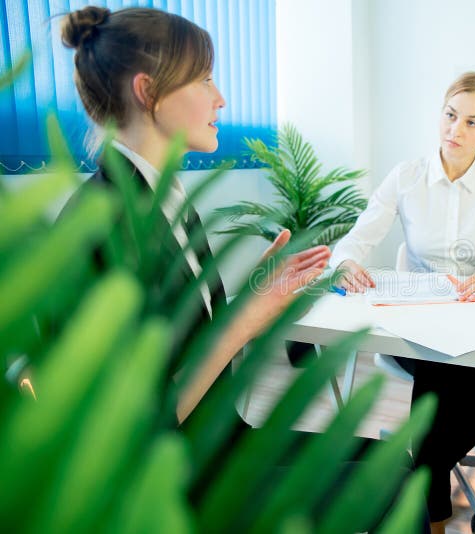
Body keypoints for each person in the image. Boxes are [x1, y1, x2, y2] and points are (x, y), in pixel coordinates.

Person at [60, 7, 423, 531]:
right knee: (392, 476)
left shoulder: (165, 198)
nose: (221, 98)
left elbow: (185, 341)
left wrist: (258, 291)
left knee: (398, 464)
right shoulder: (107, 224)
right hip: (179, 480)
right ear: (149, 92)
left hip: (218, 441)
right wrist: (247, 319)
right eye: (204, 78)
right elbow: (145, 424)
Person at [330, 72, 475, 533]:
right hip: (422, 321)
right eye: (449, 116)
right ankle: (432, 515)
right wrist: (344, 262)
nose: (455, 131)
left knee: (460, 414)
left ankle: (420, 483)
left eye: (471, 122)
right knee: (441, 390)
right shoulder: (406, 177)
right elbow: (357, 239)